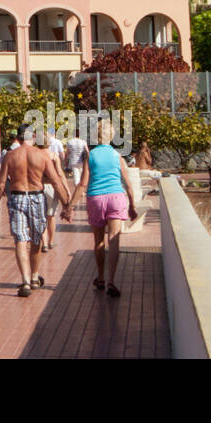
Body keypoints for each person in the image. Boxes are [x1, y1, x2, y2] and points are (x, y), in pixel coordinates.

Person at [0, 124, 73, 297]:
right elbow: (56, 181)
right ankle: (35, 276)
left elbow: (0, 183)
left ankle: (25, 281)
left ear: (19, 138)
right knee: (36, 238)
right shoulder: (41, 156)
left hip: (17, 197)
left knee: (20, 240)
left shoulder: (10, 156)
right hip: (36, 197)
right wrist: (66, 205)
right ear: (33, 137)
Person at [66, 118, 137, 298]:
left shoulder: (91, 155)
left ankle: (100, 277)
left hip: (96, 198)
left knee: (98, 241)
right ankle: (112, 280)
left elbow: (83, 183)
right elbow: (128, 184)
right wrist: (132, 205)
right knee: (114, 239)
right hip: (116, 197)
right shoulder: (117, 155)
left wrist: (70, 206)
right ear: (111, 136)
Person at [37, 131, 64, 252]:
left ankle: (44, 243)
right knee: (51, 216)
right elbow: (59, 174)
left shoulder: (34, 155)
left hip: (38, 187)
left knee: (40, 216)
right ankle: (51, 241)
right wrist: (66, 190)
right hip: (52, 187)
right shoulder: (53, 156)